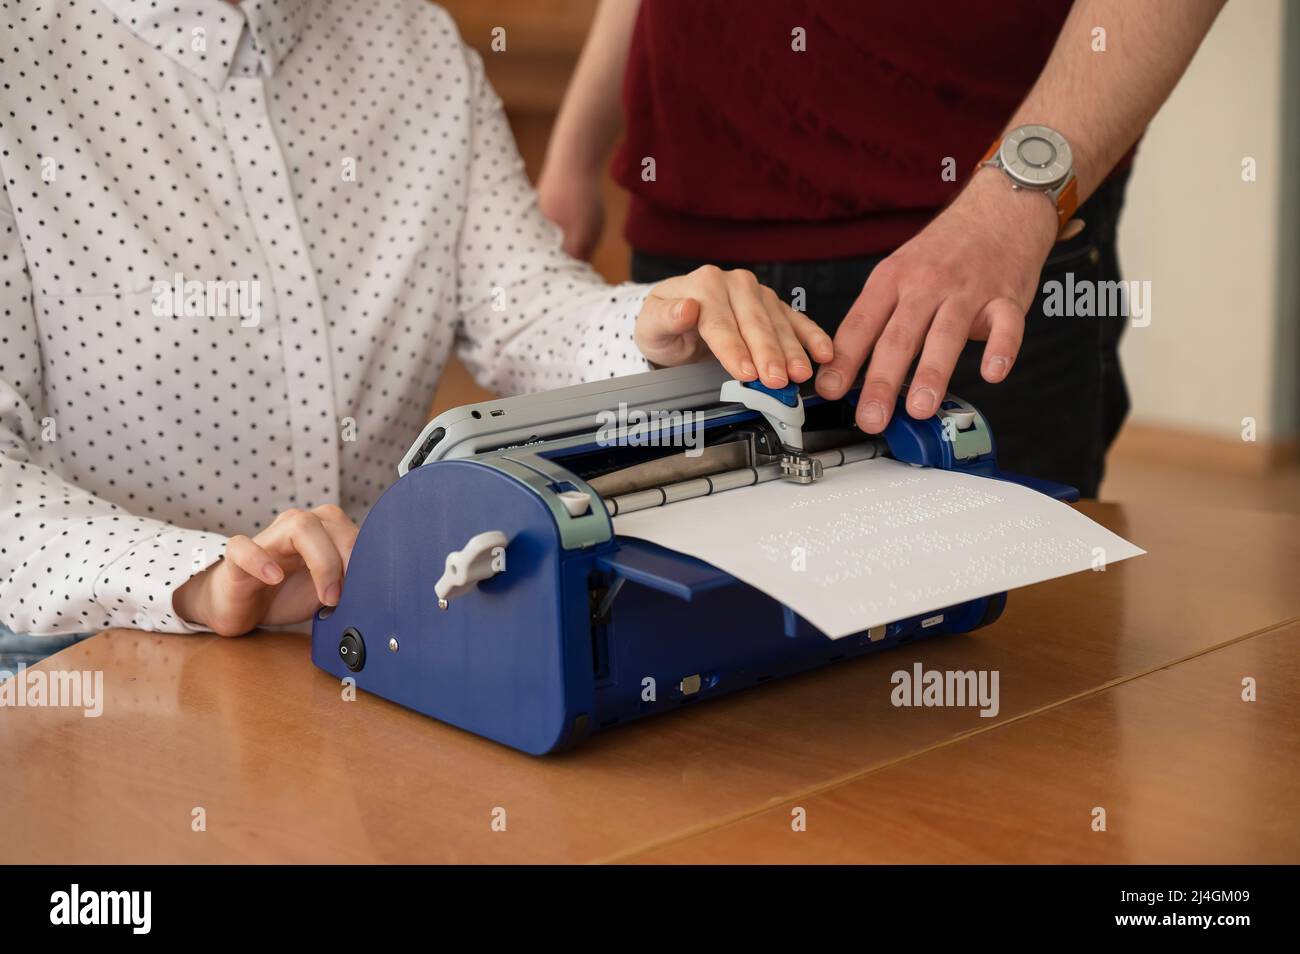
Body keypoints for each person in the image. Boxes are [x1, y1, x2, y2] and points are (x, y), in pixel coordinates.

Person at [0, 0, 831, 647]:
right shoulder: (20, 60)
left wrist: (653, 325)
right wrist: (198, 580)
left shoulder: (418, 48)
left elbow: (525, 309)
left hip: (376, 647)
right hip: (85, 663)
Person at [539, 0, 1226, 497]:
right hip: (694, 251)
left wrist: (1010, 206)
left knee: (1011, 652)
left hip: (967, 260)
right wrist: (575, 149)